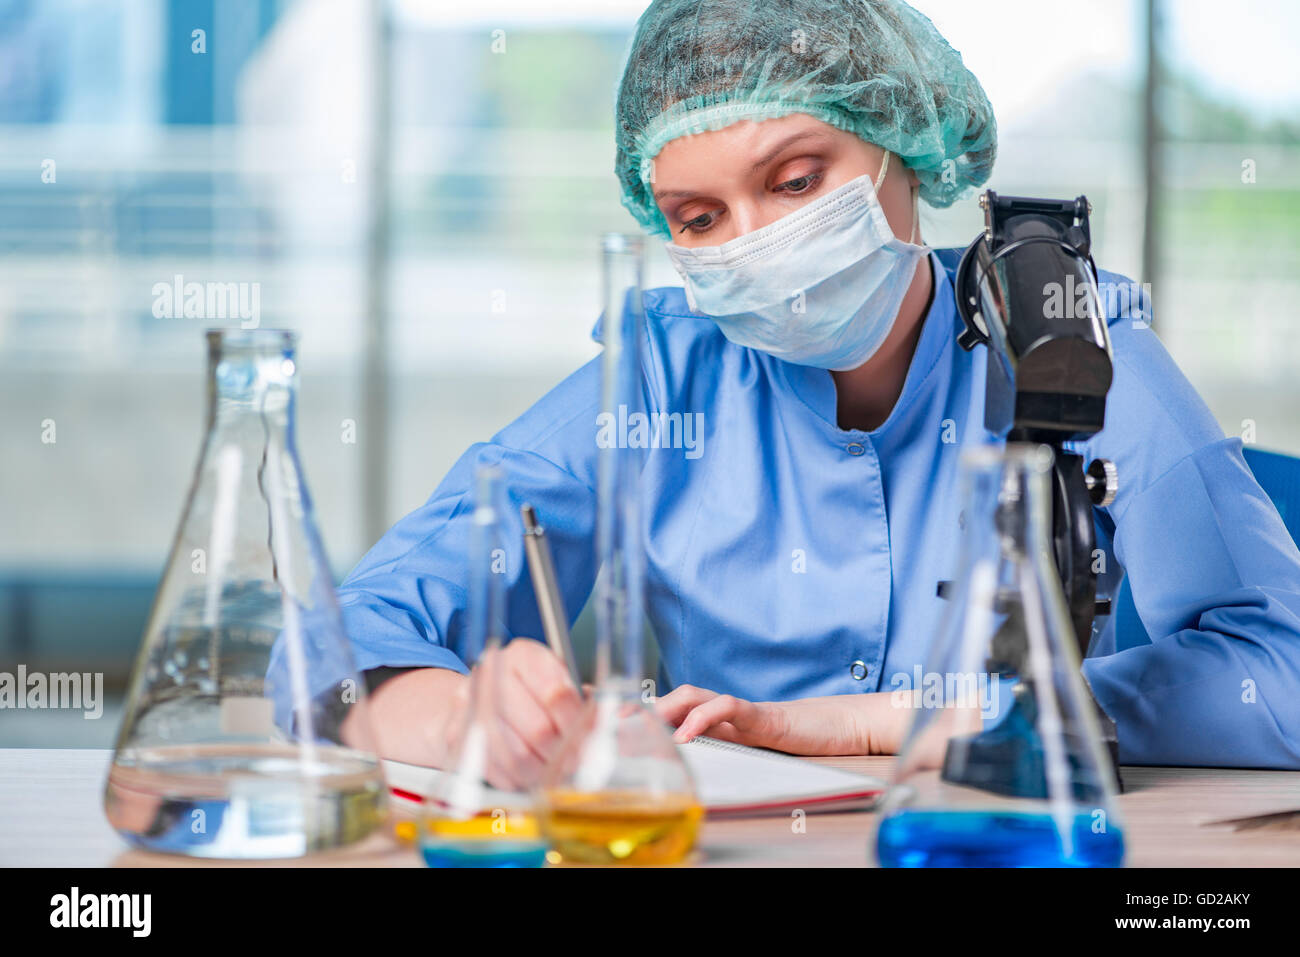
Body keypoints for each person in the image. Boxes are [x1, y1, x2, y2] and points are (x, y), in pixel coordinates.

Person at [339, 0, 1300, 787]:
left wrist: (912, 717)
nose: (754, 243)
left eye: (796, 181)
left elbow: (1286, 674)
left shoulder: (1064, 342)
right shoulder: (657, 384)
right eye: (699, 218)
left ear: (903, 146)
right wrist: (462, 714)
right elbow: (344, 639)